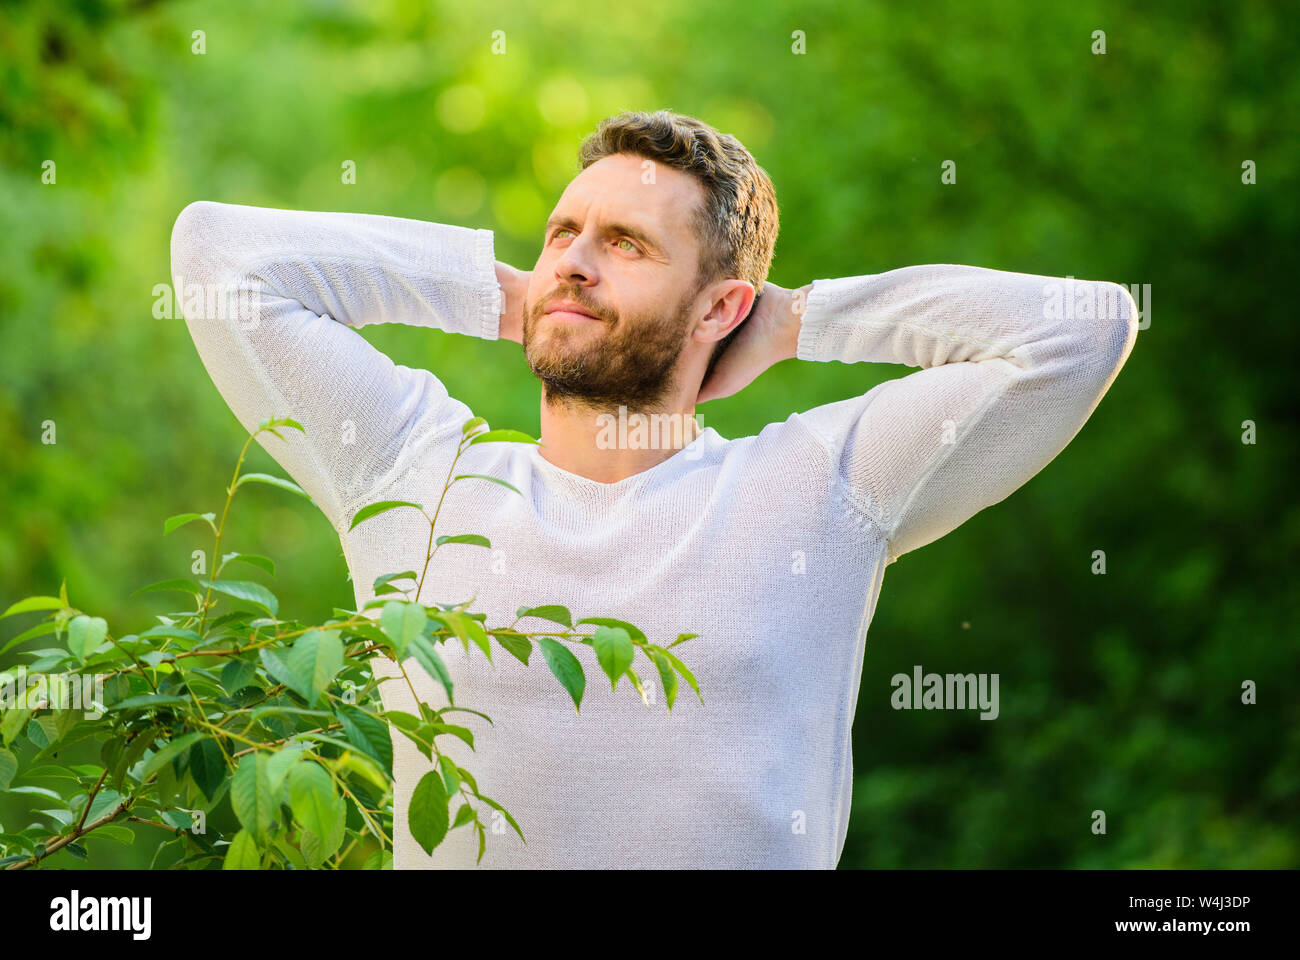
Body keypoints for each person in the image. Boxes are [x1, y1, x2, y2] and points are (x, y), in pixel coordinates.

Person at [170, 108, 1139, 869]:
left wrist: (796, 320)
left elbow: (1081, 328)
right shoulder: (411, 471)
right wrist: (520, 297)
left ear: (722, 303)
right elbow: (218, 257)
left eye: (625, 244)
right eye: (563, 233)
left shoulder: (822, 489)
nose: (576, 260)